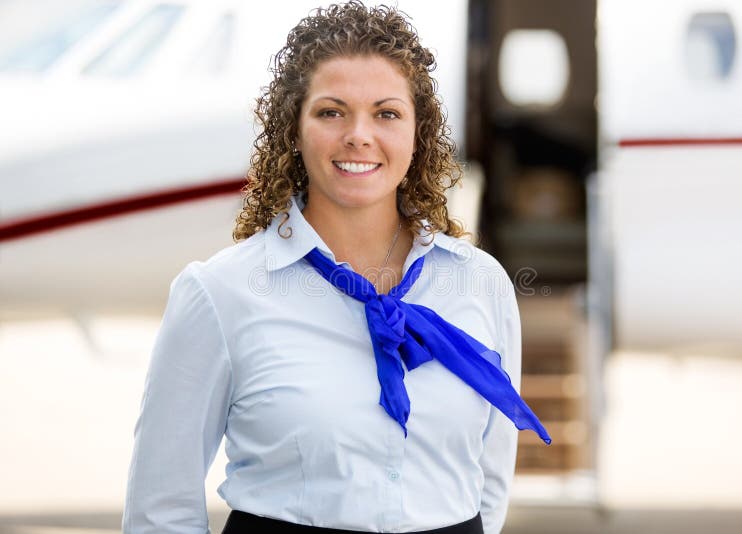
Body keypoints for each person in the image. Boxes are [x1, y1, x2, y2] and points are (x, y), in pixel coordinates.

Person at [122, 2, 549, 533]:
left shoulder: (480, 284)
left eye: (386, 113)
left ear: (418, 134)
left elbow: (488, 485)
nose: (358, 135)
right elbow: (160, 509)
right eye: (331, 111)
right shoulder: (219, 293)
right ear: (293, 131)